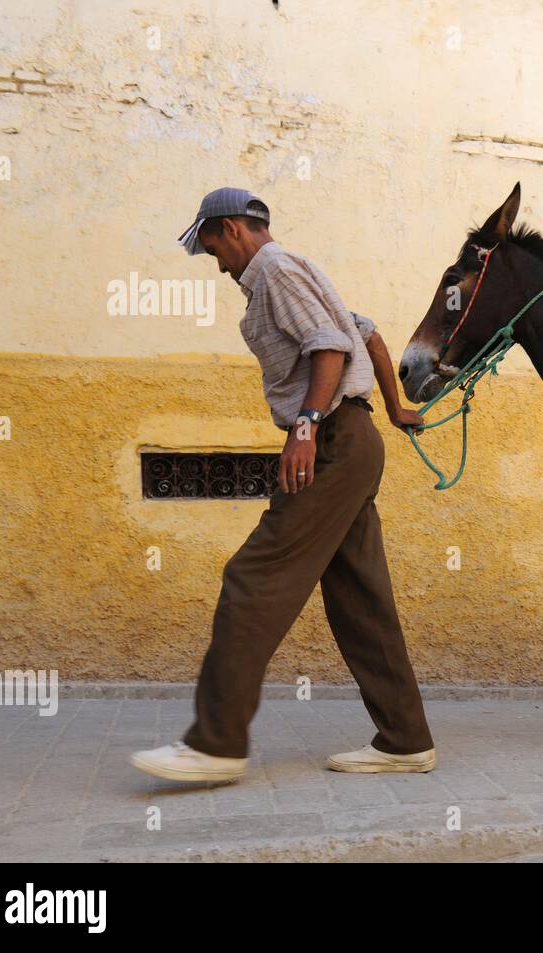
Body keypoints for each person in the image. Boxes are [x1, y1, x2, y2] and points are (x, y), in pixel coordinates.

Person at [131, 188, 436, 783]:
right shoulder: (297, 268)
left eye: (213, 246)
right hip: (351, 438)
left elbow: (329, 346)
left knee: (253, 577)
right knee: (359, 597)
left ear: (232, 229)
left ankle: (215, 745)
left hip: (332, 442)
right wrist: (395, 409)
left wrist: (305, 426)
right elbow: (365, 333)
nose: (216, 262)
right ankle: (405, 741)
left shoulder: (272, 269)